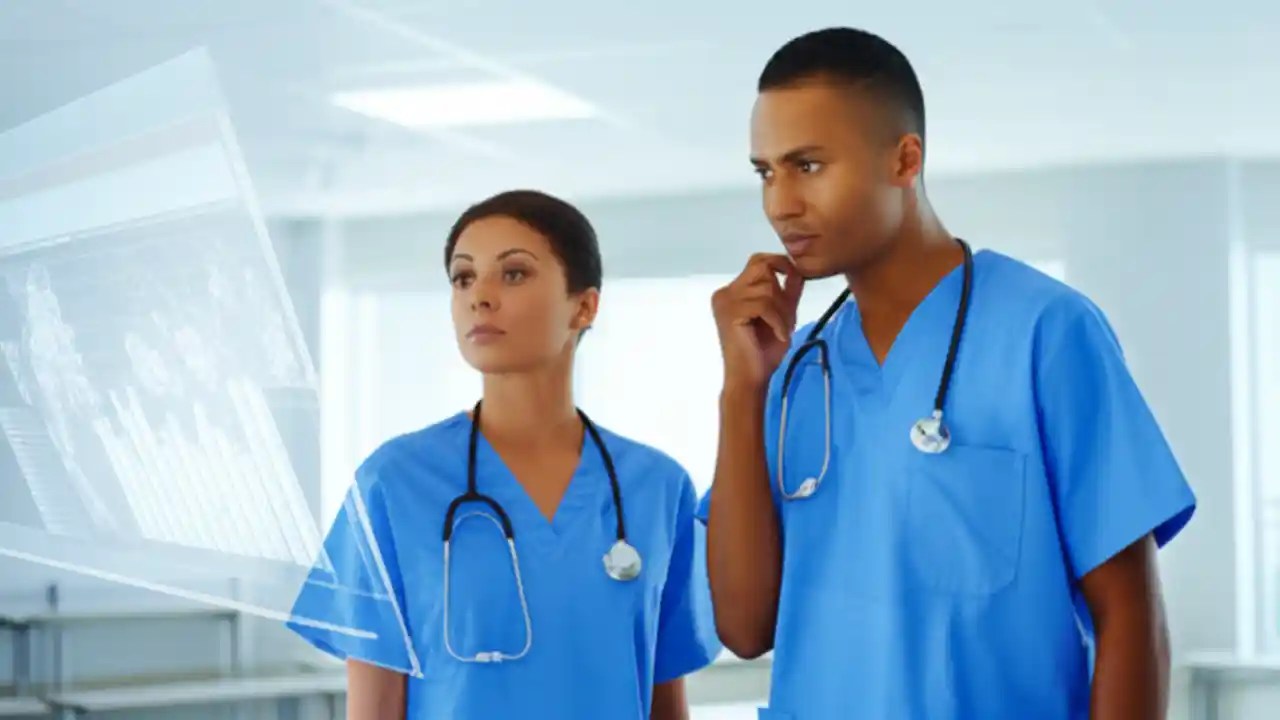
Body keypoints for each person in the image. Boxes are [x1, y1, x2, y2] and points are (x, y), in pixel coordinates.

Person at [701, 27, 1197, 720]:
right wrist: (742, 390)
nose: (780, 202)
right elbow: (744, 628)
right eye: (765, 171)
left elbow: (1131, 617)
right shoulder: (791, 375)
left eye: (807, 165)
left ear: (905, 160)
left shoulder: (1045, 333)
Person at [287, 189, 720, 719]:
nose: (479, 296)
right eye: (463, 277)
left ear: (584, 306)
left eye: (513, 274)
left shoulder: (655, 487)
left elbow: (664, 700)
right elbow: (373, 709)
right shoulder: (394, 483)